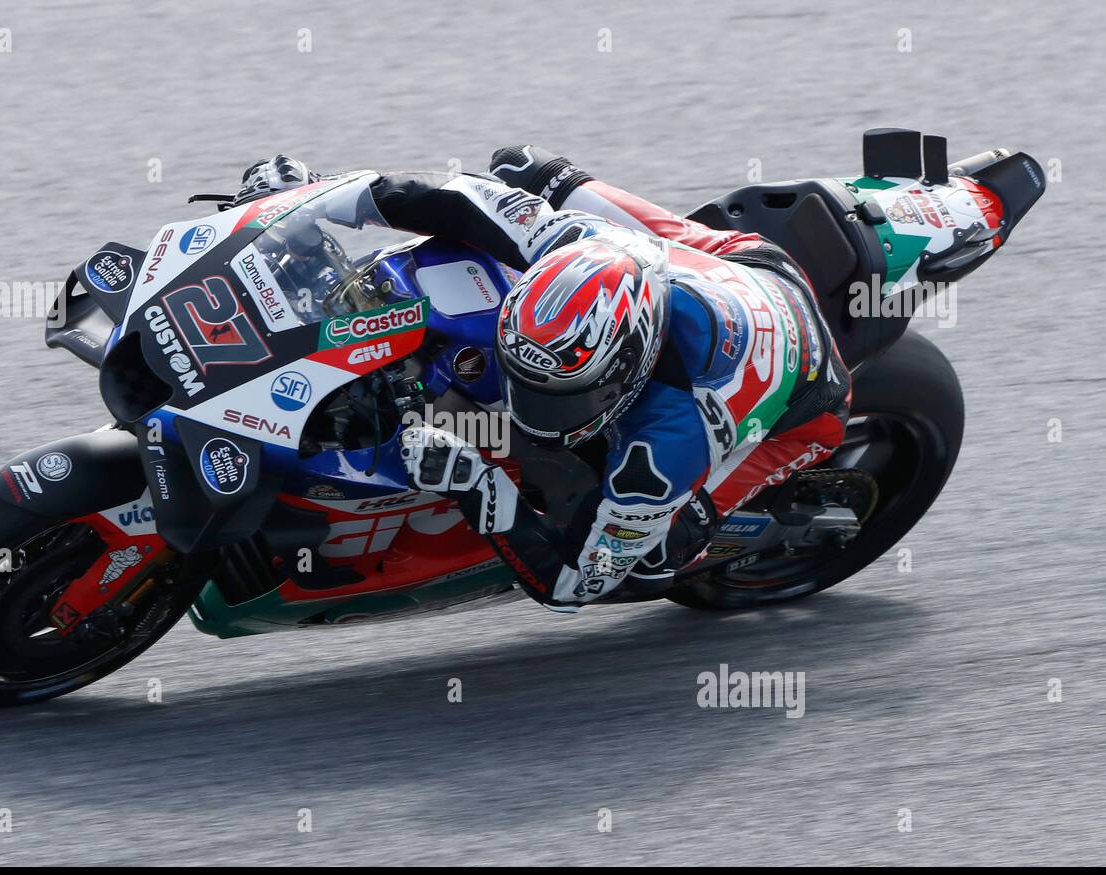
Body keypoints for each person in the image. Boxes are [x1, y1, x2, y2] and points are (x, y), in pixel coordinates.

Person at [238, 150, 851, 611]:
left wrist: (473, 480)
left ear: (624, 375)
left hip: (810, 395)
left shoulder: (670, 440)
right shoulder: (573, 240)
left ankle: (716, 525)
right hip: (735, 260)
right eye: (522, 378)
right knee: (523, 166)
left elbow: (573, 584)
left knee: (654, 557)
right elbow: (445, 198)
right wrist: (310, 201)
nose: (525, 405)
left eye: (561, 395)